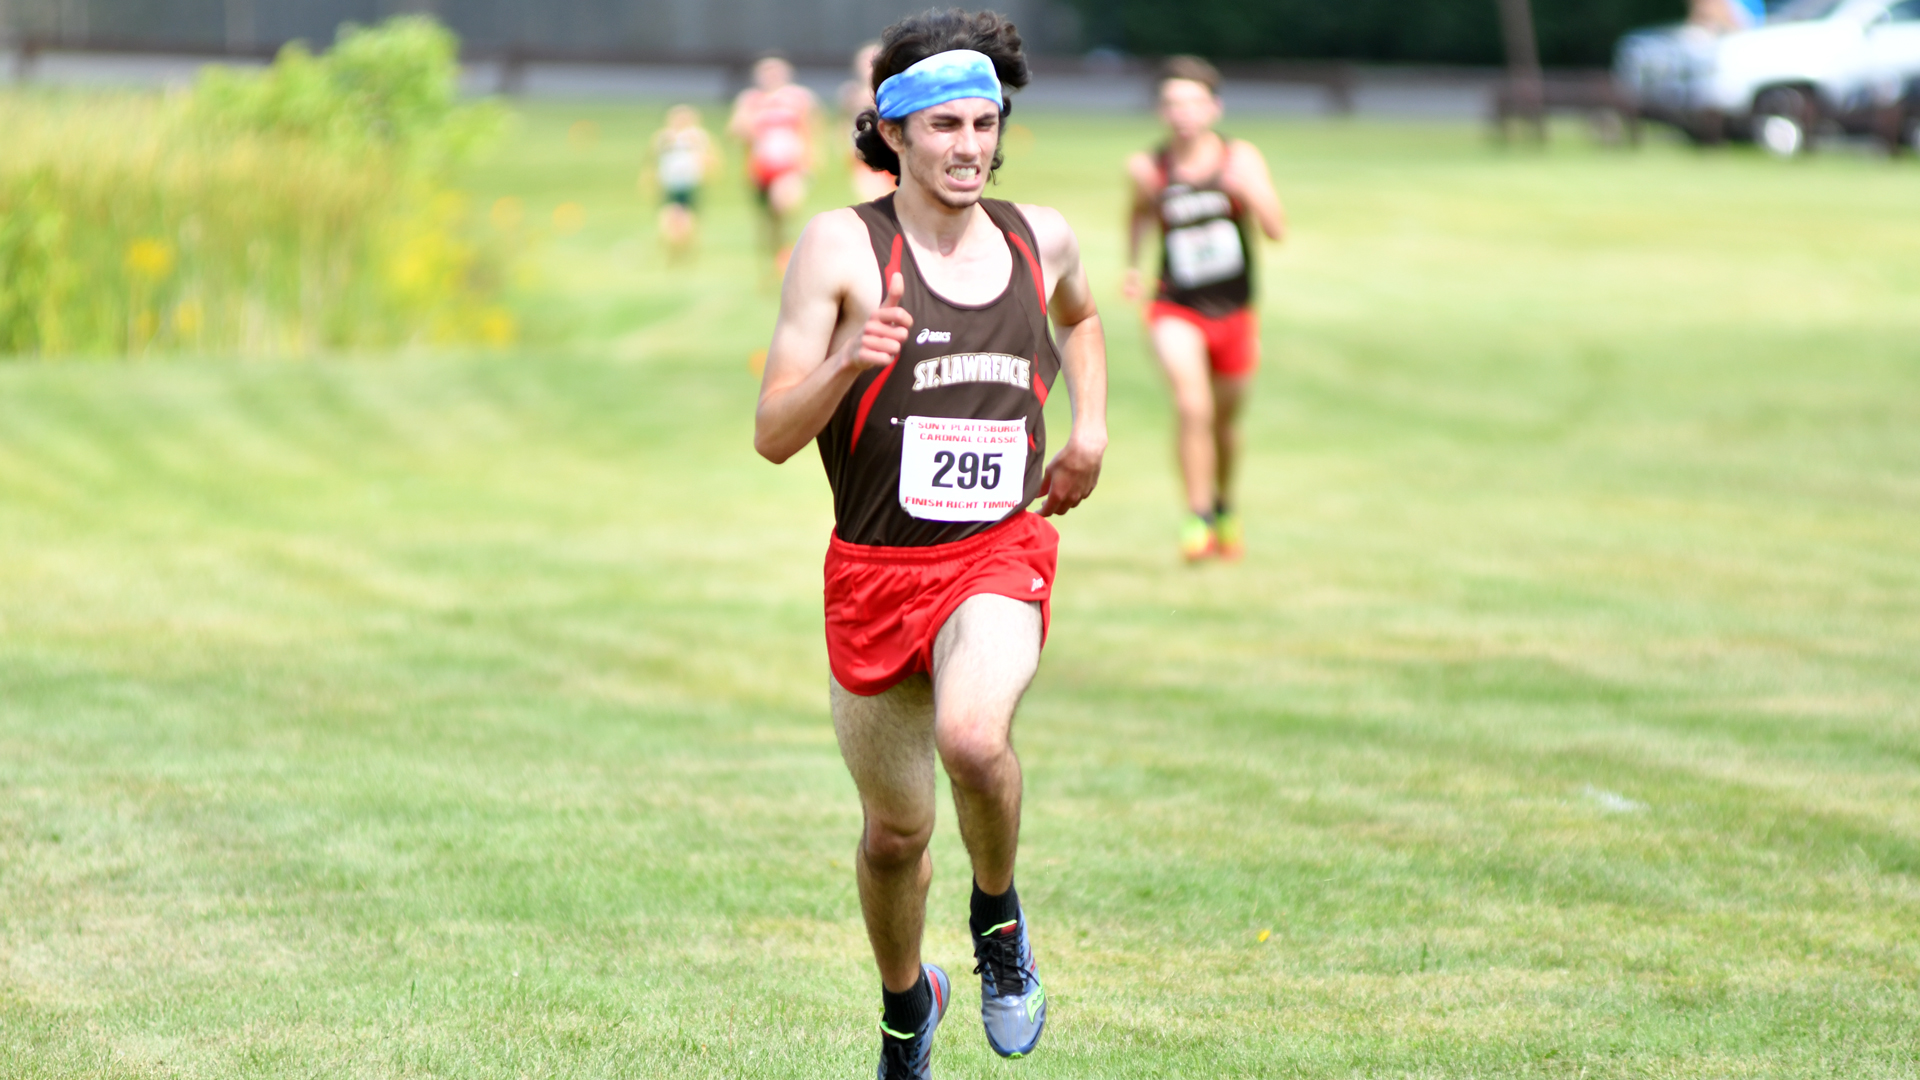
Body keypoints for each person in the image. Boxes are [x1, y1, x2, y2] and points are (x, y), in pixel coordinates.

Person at [752, 11, 1107, 1077]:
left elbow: (1080, 316)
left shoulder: (1040, 237)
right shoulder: (841, 247)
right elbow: (773, 434)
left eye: (984, 124)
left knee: (973, 739)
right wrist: (846, 364)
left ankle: (998, 921)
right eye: (945, 125)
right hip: (873, 571)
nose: (969, 147)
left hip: (995, 554)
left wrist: (1089, 427)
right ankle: (909, 1007)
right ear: (894, 132)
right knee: (894, 837)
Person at [1124, 55, 1285, 562]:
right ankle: (1196, 518)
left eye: (1194, 102)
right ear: (1161, 110)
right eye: (1173, 103)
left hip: (1235, 310)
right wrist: (1133, 267)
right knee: (1192, 406)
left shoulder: (1241, 159)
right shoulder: (1149, 168)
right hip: (1176, 307)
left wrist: (1248, 191)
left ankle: (1223, 504)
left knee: (1225, 425)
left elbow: (1277, 229)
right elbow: (1138, 215)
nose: (1183, 113)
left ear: (1214, 108)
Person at [729, 55, 819, 274]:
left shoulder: (798, 98)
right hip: (761, 167)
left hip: (789, 165)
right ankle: (776, 259)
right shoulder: (750, 100)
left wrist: (810, 159)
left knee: (785, 204)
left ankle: (791, 254)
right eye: (766, 71)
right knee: (769, 220)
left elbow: (811, 128)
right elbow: (735, 131)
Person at [645, 104, 715, 261]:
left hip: (689, 184)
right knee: (667, 218)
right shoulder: (663, 137)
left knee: (688, 220)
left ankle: (687, 250)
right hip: (670, 184)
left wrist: (707, 171)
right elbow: (653, 159)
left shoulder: (698, 137)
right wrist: (650, 178)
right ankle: (672, 250)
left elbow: (710, 158)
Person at [842, 42, 902, 202]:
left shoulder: (894, 91)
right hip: (863, 151)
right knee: (873, 199)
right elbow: (844, 124)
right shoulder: (851, 93)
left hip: (892, 150)